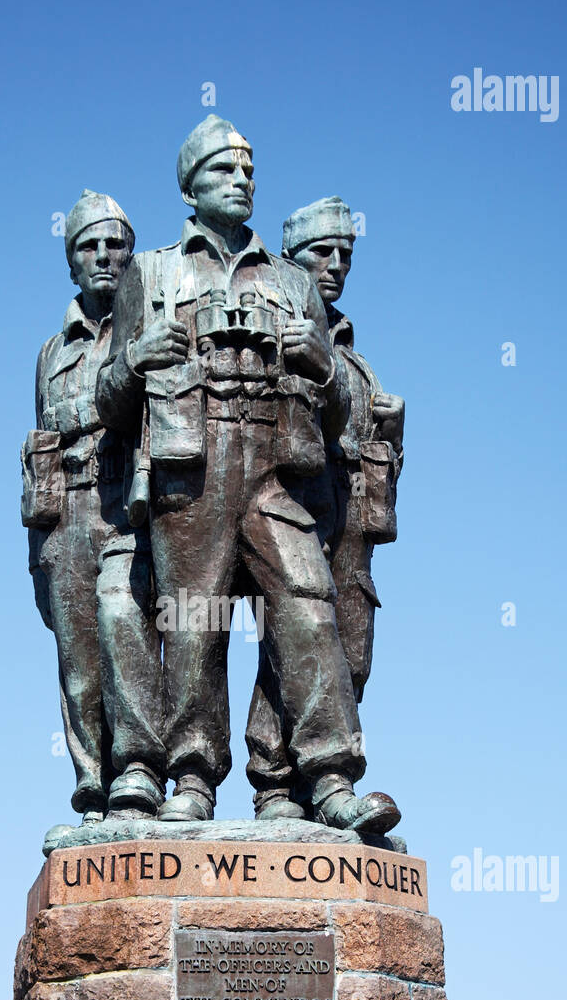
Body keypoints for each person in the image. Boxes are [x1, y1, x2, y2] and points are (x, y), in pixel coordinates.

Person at [97, 120, 397, 834]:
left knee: (306, 604)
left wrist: (321, 363)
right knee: (195, 623)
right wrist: (137, 355)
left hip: (276, 466)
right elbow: (109, 402)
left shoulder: (294, 282)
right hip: (190, 468)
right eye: (225, 170)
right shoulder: (152, 273)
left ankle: (329, 779)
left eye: (249, 170)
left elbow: (344, 411)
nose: (242, 181)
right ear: (190, 186)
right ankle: (193, 780)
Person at [245, 196, 405, 821]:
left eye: (346, 253)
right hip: (294, 508)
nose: (336, 264)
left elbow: (375, 453)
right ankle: (278, 784)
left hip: (354, 526)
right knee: (291, 642)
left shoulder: (354, 357)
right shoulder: (278, 333)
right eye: (322, 252)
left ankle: (316, 796)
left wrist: (395, 428)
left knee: (352, 654)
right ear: (291, 259)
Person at [22, 190, 165, 824]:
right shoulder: (50, 354)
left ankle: (139, 770)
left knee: (123, 622)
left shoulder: (150, 324)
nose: (104, 255)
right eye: (89, 245)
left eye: (116, 244)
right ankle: (93, 786)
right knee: (77, 659)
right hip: (64, 516)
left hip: (124, 504)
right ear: (71, 261)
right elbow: (41, 447)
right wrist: (39, 557)